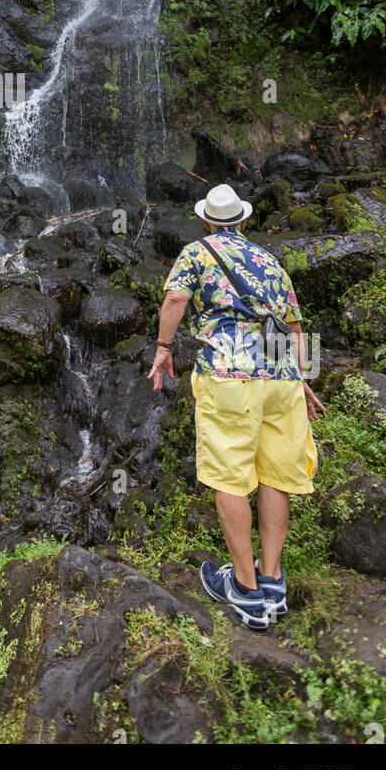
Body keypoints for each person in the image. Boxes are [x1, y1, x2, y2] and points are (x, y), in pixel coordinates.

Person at [147, 183, 325, 631]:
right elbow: (296, 329)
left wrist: (163, 347)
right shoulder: (271, 262)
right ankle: (272, 580)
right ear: (244, 222)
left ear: (207, 221)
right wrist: (302, 380)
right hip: (281, 380)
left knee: (229, 475)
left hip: (229, 377)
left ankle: (245, 591)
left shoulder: (196, 252)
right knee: (275, 476)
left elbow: (174, 299)